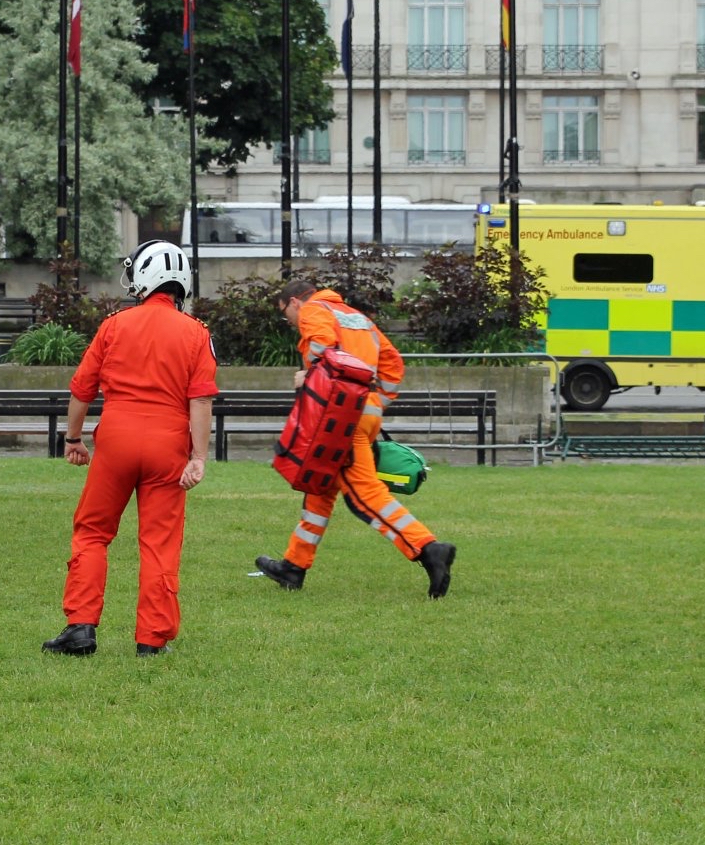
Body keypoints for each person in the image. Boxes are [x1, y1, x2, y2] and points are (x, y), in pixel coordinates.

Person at [43, 240, 217, 658]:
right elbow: (201, 400)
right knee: (159, 543)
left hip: (116, 440)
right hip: (169, 444)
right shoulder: (197, 334)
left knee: (92, 532)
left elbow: (82, 388)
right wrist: (198, 457)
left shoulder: (114, 325)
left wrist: (72, 439)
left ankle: (80, 626)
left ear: (143, 276)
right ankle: (151, 640)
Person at [254, 279, 456, 598]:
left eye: (285, 314)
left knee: (364, 494)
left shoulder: (313, 310)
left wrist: (311, 378)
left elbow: (321, 346)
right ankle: (294, 565)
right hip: (363, 412)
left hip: (340, 416)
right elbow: (392, 367)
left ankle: (428, 548)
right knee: (319, 488)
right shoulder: (359, 319)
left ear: (294, 302)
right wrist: (375, 403)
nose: (291, 322)